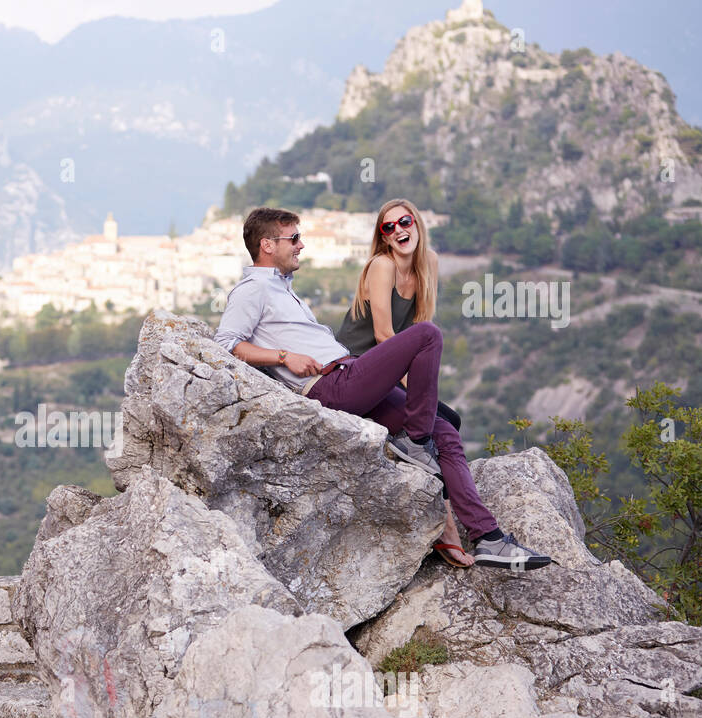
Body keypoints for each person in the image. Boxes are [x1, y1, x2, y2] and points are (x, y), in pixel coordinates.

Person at [213, 206, 550, 570]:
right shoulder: (252, 289)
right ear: (267, 245)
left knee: (447, 431)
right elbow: (225, 343)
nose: (301, 245)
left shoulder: (281, 288)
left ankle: (488, 539)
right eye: (293, 238)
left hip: (351, 375)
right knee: (426, 336)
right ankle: (416, 442)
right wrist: (284, 356)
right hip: (332, 384)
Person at [335, 198, 471, 566]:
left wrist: (421, 390)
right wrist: (419, 391)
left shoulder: (430, 263)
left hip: (393, 374)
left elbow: (421, 326)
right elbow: (384, 336)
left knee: (448, 421)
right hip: (359, 368)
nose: (398, 230)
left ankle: (444, 515)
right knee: (431, 424)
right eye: (388, 227)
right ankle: (447, 529)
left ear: (417, 223)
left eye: (404, 221)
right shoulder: (381, 266)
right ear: (383, 238)